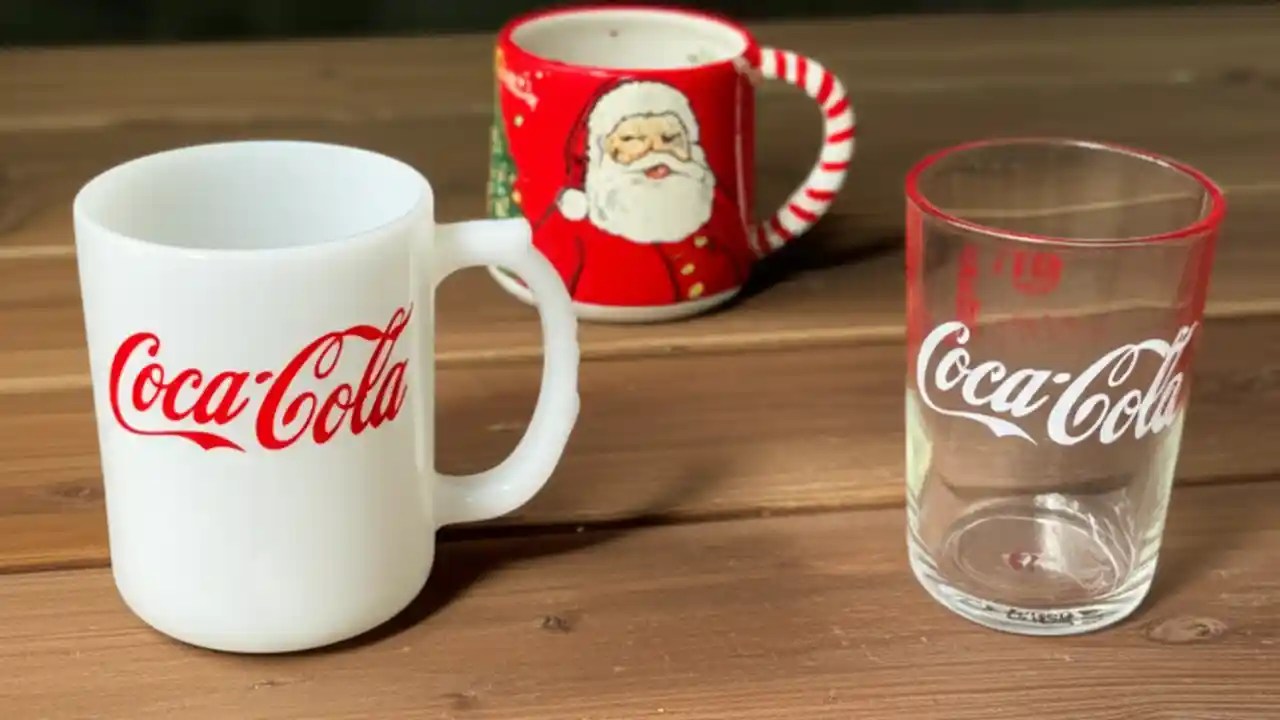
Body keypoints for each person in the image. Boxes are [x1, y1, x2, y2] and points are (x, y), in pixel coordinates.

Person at [534, 79, 753, 307]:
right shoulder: (571, 229)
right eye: (633, 139)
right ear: (602, 151)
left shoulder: (714, 204)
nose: (657, 150)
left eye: (670, 138)